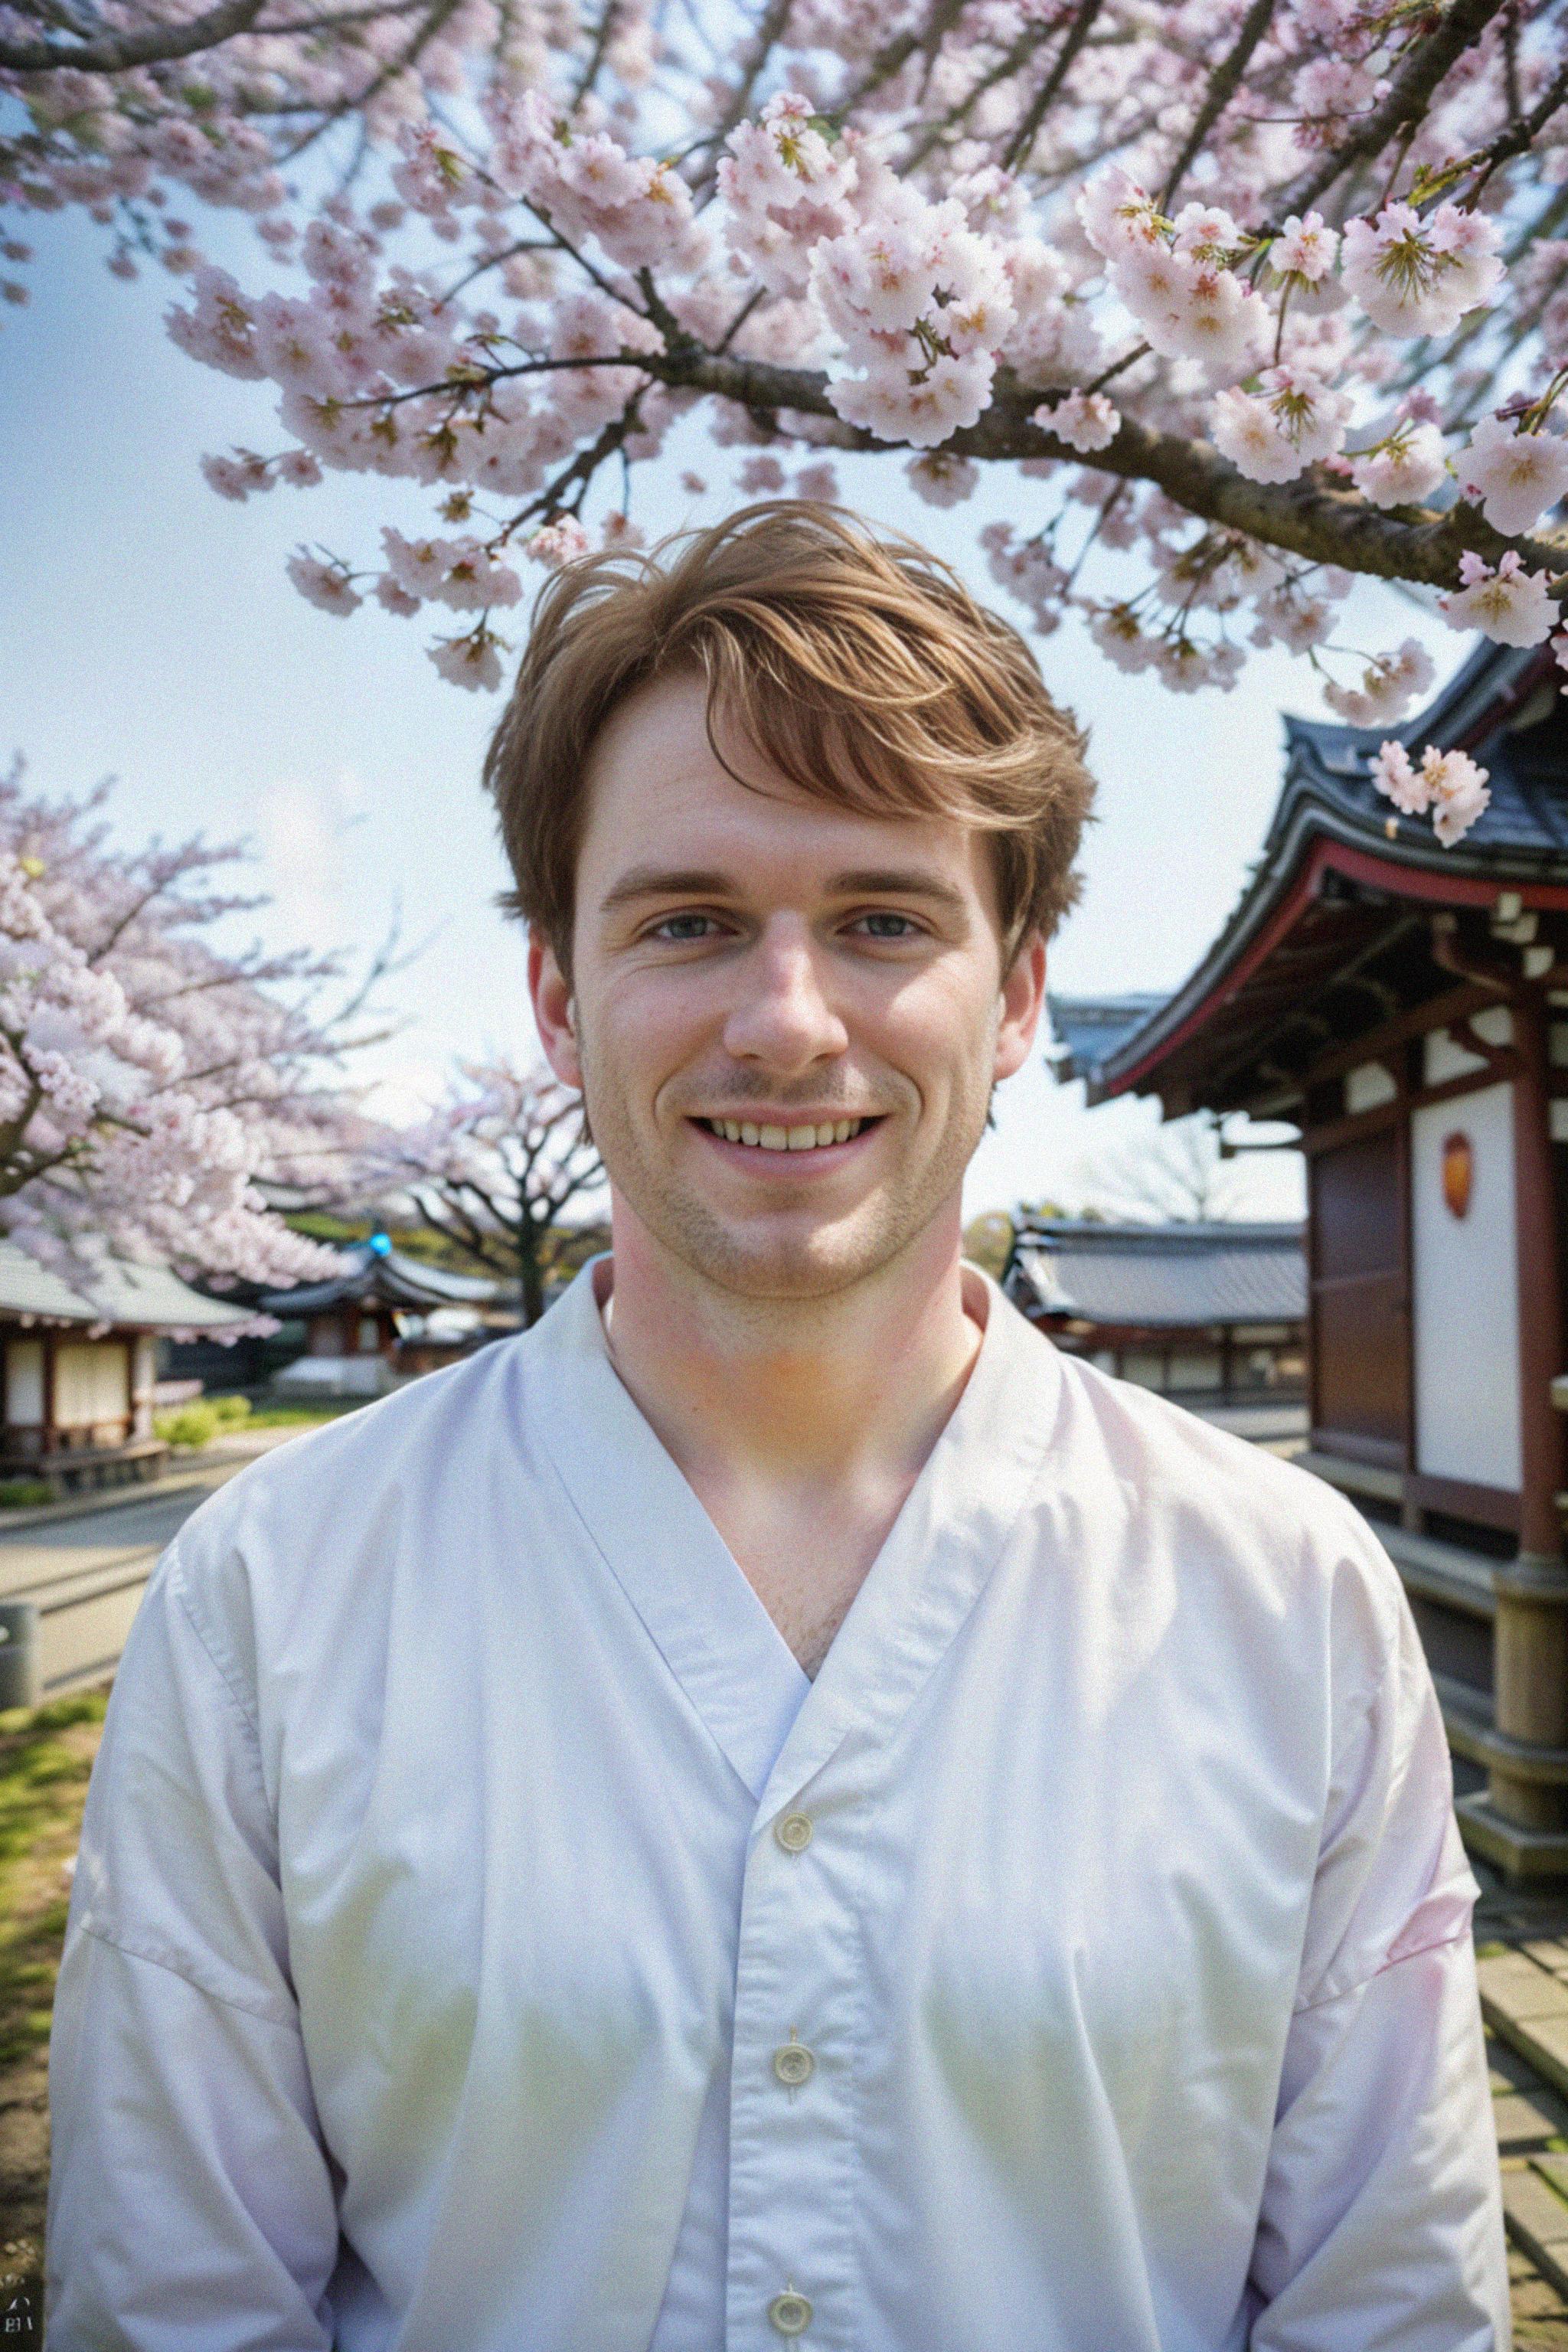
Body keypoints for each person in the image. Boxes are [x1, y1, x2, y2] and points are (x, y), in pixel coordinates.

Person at [47, 502, 1506, 2350]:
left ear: (1021, 989)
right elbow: (173, 2309)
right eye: (691, 921)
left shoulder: (1283, 1598)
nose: (787, 1021)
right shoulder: (272, 1597)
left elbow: (1387, 2310)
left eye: (884, 919)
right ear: (561, 995)